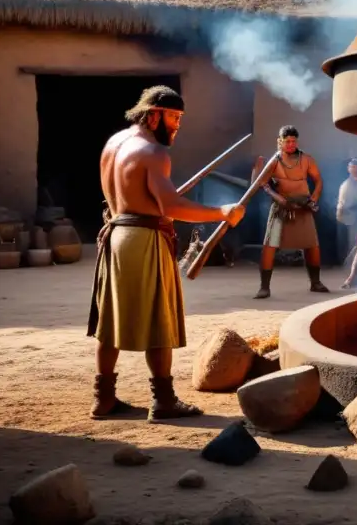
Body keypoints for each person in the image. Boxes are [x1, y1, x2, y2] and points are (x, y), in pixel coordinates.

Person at [88, 86, 246, 421]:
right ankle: (163, 401)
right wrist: (222, 211)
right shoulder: (154, 153)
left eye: (180, 118)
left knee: (110, 321)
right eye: (174, 117)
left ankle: (103, 399)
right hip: (144, 238)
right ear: (153, 113)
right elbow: (171, 206)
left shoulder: (113, 145)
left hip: (116, 235)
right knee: (159, 319)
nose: (177, 125)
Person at [252, 126, 327, 299]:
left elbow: (318, 180)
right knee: (270, 246)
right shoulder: (274, 161)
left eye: (294, 141)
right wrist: (279, 198)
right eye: (288, 141)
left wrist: (313, 199)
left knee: (312, 245)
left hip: (304, 206)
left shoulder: (307, 159)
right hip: (282, 207)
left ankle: (315, 282)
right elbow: (262, 183)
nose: (291, 144)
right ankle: (264, 287)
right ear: (280, 141)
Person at [336, 158, 357, 263]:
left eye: (355, 166)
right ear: (348, 169)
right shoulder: (346, 184)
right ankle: (350, 263)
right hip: (348, 216)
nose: (354, 169)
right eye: (352, 166)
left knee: (356, 241)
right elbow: (344, 204)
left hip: (356, 215)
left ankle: (354, 262)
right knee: (351, 242)